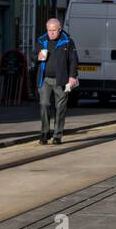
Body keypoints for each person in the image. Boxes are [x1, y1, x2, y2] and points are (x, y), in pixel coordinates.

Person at [35, 17, 78, 145]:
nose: (51, 33)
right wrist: (37, 57)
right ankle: (45, 132)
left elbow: (73, 60)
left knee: (60, 107)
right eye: (49, 30)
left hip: (62, 80)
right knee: (44, 104)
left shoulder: (67, 41)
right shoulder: (41, 40)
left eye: (54, 30)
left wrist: (72, 76)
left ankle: (57, 135)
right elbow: (32, 55)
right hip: (45, 79)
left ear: (59, 29)